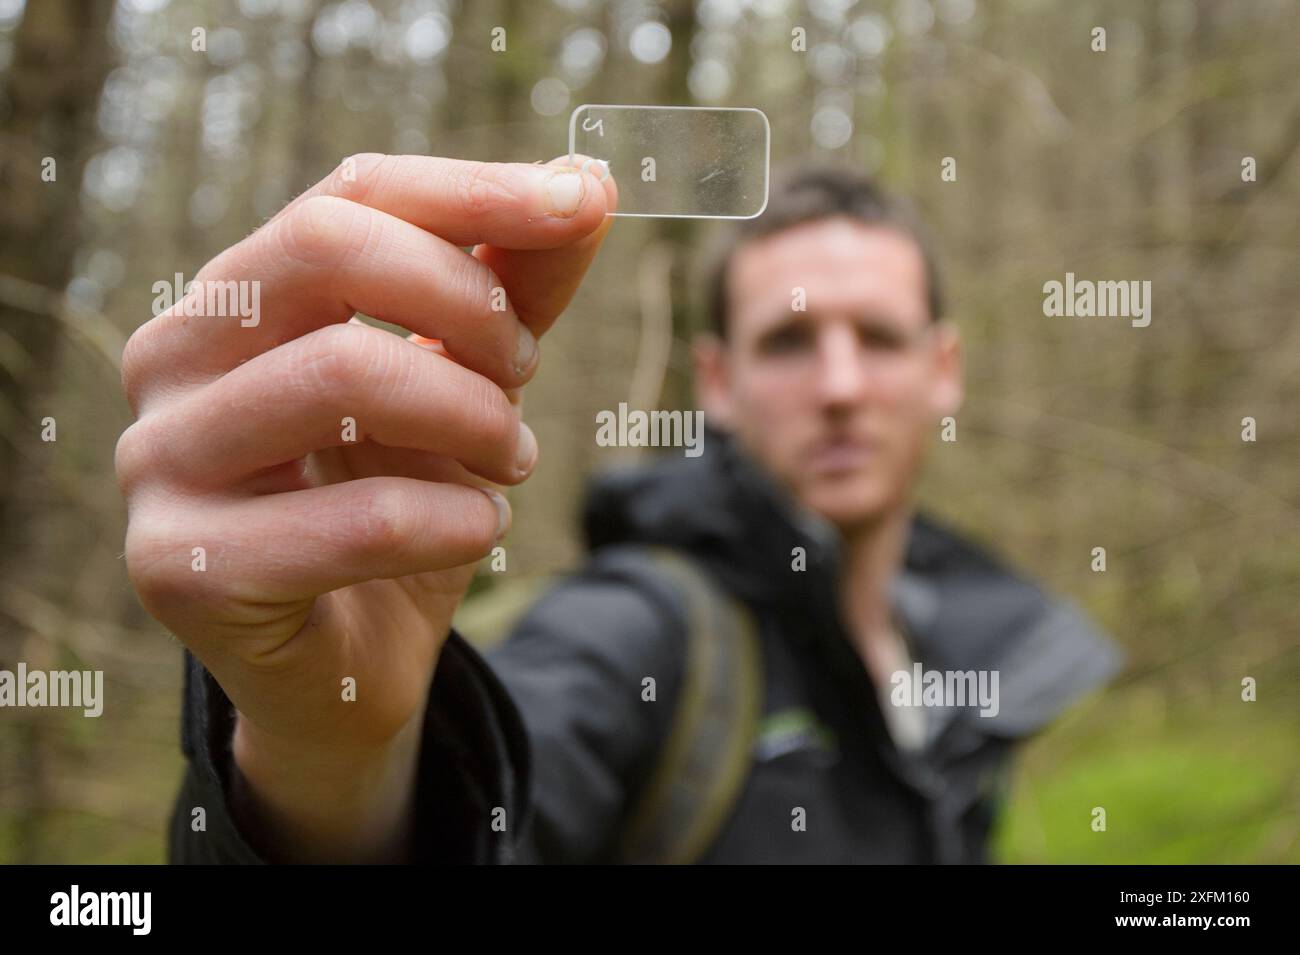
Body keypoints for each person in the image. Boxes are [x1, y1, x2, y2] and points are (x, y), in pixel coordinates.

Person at [116, 153, 1120, 864]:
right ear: (716, 383)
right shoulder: (638, 634)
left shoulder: (966, 655)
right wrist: (329, 762)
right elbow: (500, 815)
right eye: (789, 342)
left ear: (942, 370)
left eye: (882, 338)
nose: (842, 384)